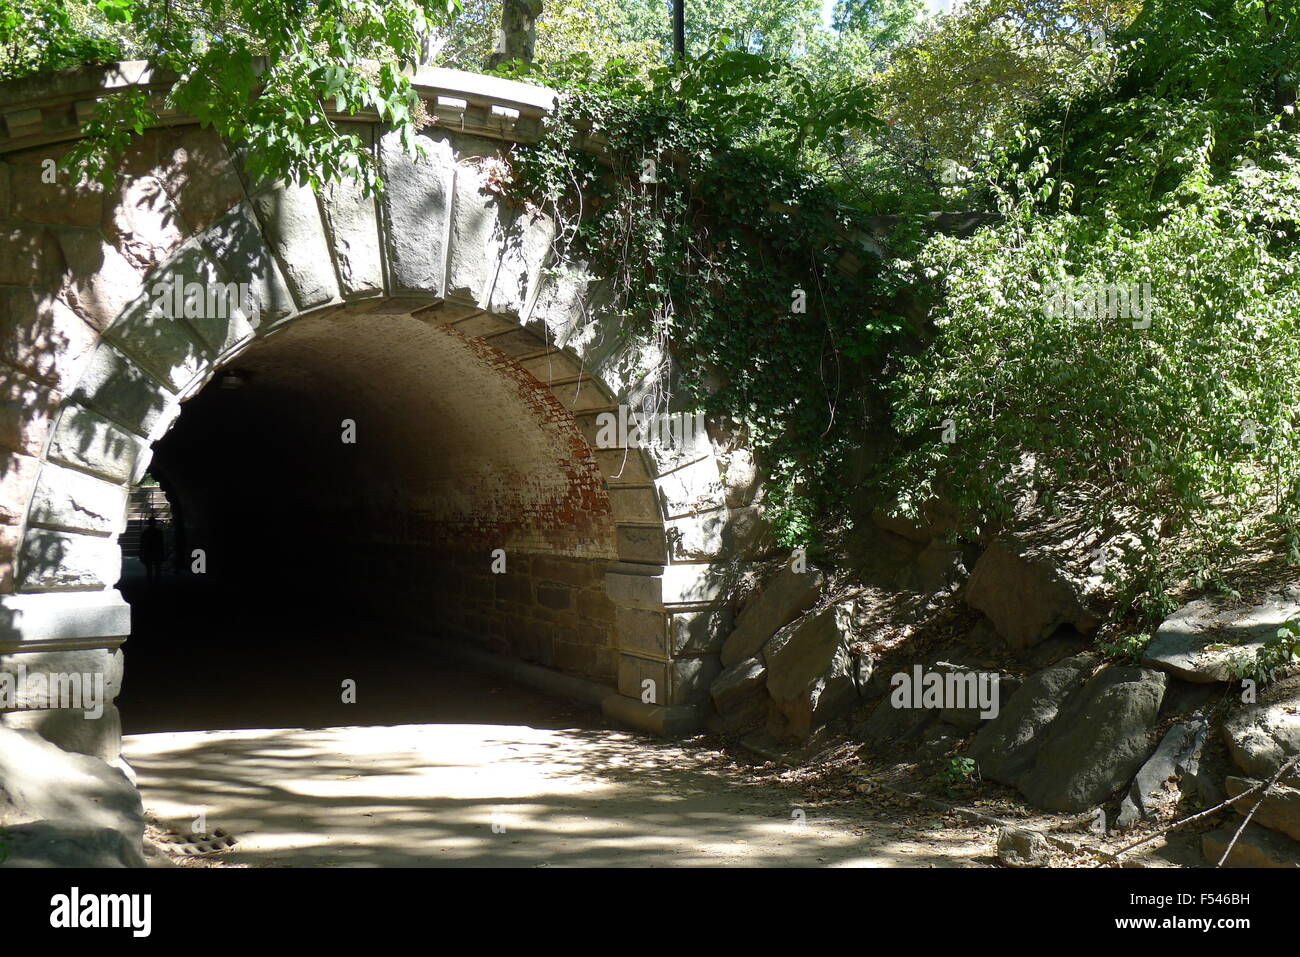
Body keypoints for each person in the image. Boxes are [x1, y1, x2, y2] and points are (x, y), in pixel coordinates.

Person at [139, 514, 165, 584]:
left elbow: (142, 544)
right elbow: (161, 544)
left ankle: (151, 582)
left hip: (149, 551)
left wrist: (141, 553)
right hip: (155, 551)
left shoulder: (146, 533)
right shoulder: (159, 532)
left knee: (150, 569)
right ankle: (156, 582)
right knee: (157, 569)